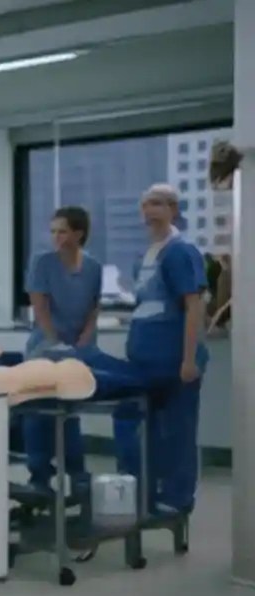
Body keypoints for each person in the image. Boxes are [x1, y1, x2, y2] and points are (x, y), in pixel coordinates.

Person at [115, 183, 208, 515]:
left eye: (157, 204)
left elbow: (193, 306)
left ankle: (178, 498)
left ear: (173, 209)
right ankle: (146, 490)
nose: (150, 210)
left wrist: (188, 358)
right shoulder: (145, 256)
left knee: (178, 430)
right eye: (145, 205)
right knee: (147, 428)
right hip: (146, 358)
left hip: (175, 359)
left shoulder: (181, 252)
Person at [23, 207, 102, 488]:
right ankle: (39, 474)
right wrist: (55, 343)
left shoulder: (92, 267)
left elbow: (94, 307)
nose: (56, 236)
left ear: (79, 234)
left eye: (63, 231)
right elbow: (40, 308)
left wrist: (84, 339)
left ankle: (77, 472)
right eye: (53, 230)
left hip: (79, 345)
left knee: (69, 410)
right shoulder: (42, 262)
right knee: (38, 408)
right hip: (45, 345)